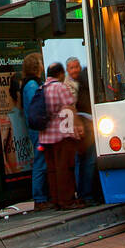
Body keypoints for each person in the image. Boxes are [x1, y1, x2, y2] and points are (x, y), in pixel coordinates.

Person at [39, 64, 83, 210]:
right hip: (61, 135)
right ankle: (67, 200)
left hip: (45, 136)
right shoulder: (60, 87)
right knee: (65, 168)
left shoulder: (42, 88)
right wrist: (77, 126)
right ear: (60, 73)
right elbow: (69, 107)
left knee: (52, 170)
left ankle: (56, 200)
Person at [67, 57, 99, 205]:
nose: (75, 70)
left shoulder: (75, 81)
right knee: (89, 160)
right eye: (72, 68)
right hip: (84, 124)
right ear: (67, 70)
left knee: (81, 161)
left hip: (80, 124)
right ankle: (86, 195)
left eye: (76, 67)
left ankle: (83, 194)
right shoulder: (75, 83)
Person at [22, 53, 50, 211]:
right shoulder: (33, 85)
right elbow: (37, 105)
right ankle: (39, 198)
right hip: (38, 129)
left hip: (36, 128)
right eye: (40, 63)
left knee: (41, 160)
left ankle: (42, 197)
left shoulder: (29, 83)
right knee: (40, 161)